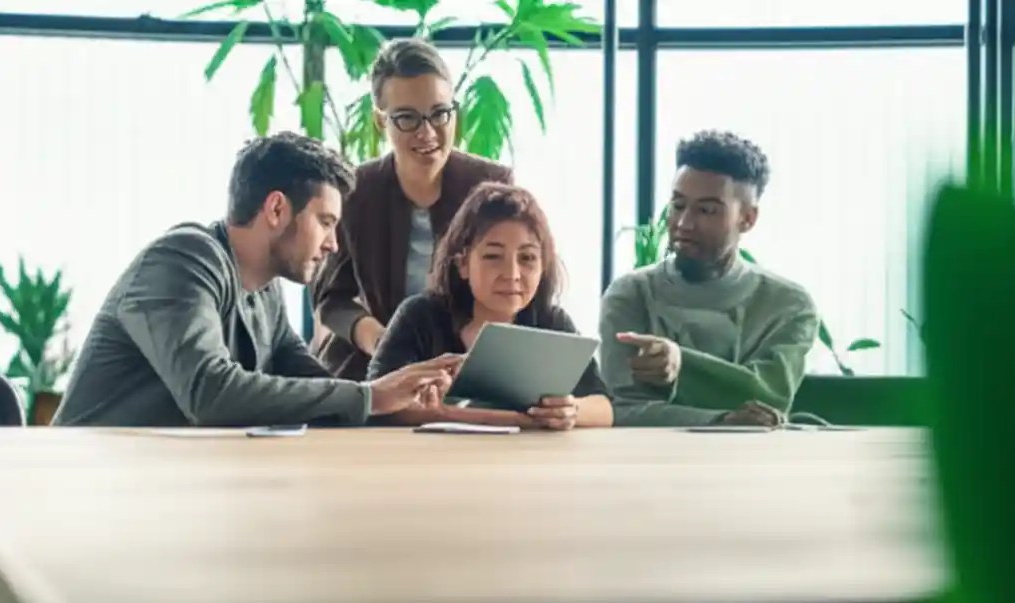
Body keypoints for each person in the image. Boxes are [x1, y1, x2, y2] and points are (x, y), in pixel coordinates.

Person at [53, 132, 460, 428]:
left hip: (162, 487)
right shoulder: (182, 261)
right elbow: (210, 393)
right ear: (277, 209)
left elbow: (310, 382)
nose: (333, 244)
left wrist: (393, 401)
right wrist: (371, 397)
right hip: (88, 488)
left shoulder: (264, 289)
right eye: (325, 222)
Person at [311, 37, 514, 381]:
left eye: (439, 114)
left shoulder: (490, 184)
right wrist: (376, 338)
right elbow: (332, 298)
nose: (428, 132)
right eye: (407, 118)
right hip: (373, 365)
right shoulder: (356, 191)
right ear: (381, 122)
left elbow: (516, 282)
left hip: (467, 363)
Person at [599, 130, 819, 428]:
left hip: (755, 467)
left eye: (706, 210)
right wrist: (723, 419)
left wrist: (680, 364)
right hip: (648, 466)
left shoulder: (788, 305)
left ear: (748, 219)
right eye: (677, 206)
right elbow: (621, 410)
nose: (684, 223)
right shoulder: (631, 295)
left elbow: (768, 400)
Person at [368, 183, 613, 431]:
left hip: (528, 462)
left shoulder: (551, 322)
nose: (512, 274)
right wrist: (515, 419)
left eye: (527, 258)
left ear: (544, 266)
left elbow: (604, 407)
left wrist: (571, 410)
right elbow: (375, 402)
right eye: (493, 257)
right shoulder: (419, 316)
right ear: (463, 264)